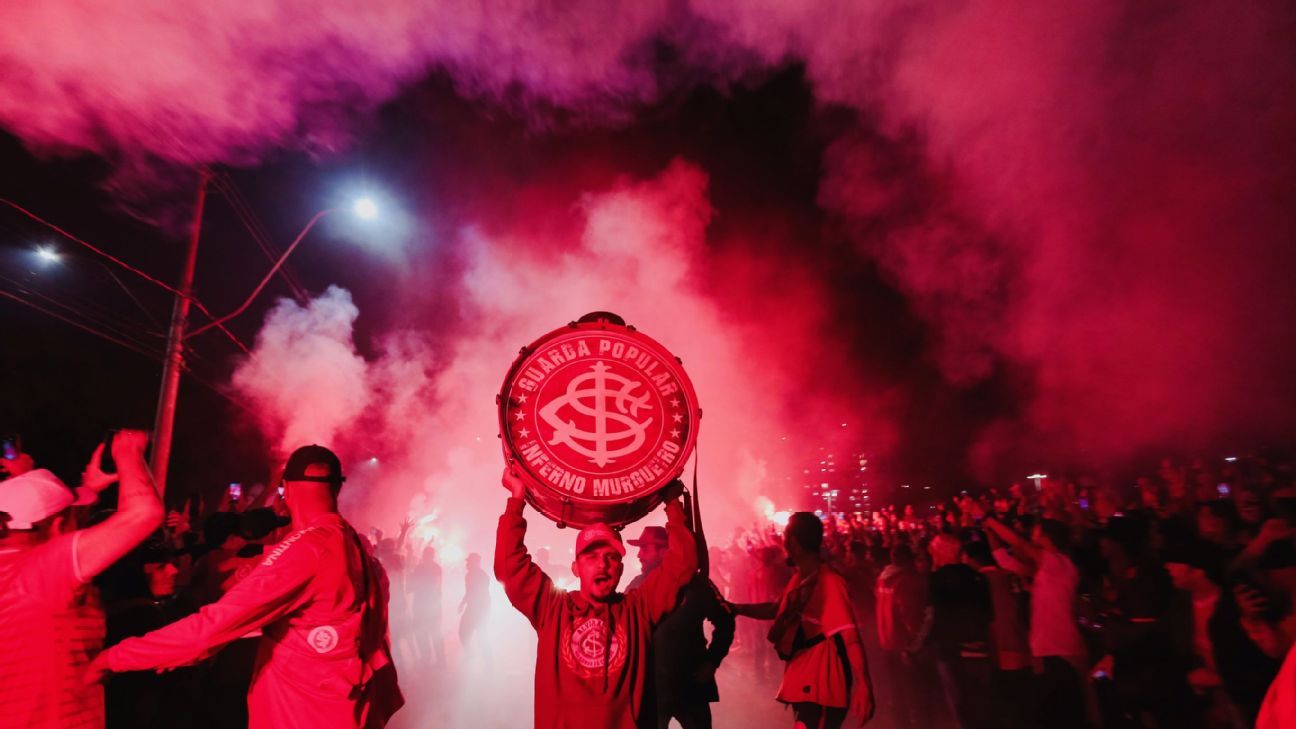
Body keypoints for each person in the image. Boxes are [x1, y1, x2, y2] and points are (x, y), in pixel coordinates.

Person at [88, 444, 404, 729]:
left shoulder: (306, 550)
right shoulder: (358, 549)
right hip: (347, 712)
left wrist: (116, 657)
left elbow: (207, 630)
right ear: (336, 488)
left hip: (304, 716)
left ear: (287, 490)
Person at [494, 465, 697, 729]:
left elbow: (683, 565)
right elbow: (509, 566)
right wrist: (516, 499)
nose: (602, 565)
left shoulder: (638, 609)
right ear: (576, 568)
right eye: (591, 556)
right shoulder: (552, 608)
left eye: (611, 558)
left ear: (621, 569)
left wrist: (672, 503)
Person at [0, 430, 159, 729]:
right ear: (59, 525)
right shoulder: (45, 568)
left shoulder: (17, 561)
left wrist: (88, 489)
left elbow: (49, 525)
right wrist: (128, 453)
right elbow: (144, 513)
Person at [729, 512, 875, 729]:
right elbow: (777, 609)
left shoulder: (829, 582)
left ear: (794, 543)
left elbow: (850, 637)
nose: (783, 543)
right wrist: (735, 608)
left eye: (785, 537)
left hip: (823, 689)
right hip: (806, 684)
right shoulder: (800, 578)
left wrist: (864, 685)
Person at [625, 525, 735, 729]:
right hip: (653, 688)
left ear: (665, 551)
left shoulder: (697, 585)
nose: (639, 555)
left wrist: (712, 661)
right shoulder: (636, 586)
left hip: (691, 684)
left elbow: (725, 620)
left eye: (645, 548)